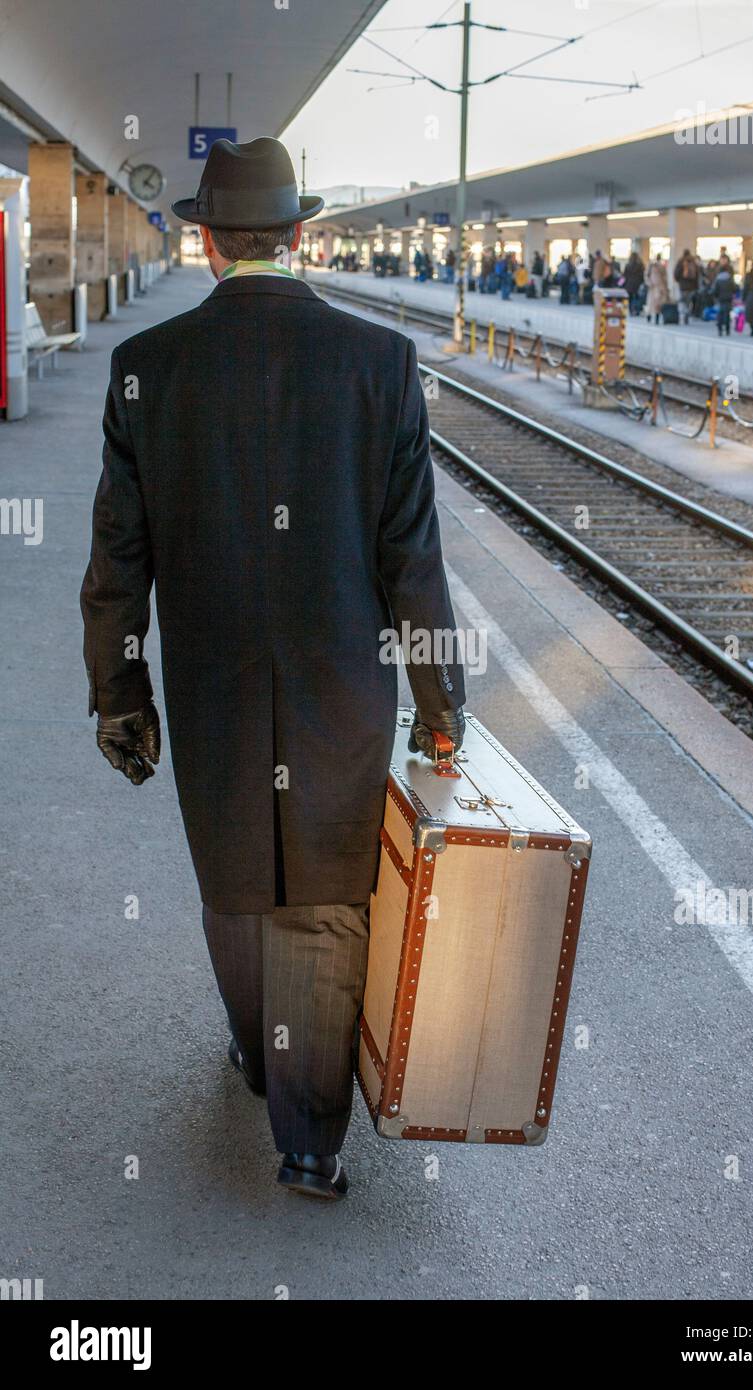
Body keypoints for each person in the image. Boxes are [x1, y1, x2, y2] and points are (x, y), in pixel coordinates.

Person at [79, 137, 466, 1203]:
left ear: (206, 242)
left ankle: (258, 1051)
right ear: (298, 236)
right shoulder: (378, 364)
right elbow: (412, 562)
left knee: (237, 881)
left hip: (210, 684)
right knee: (327, 902)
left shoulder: (146, 369)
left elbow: (118, 559)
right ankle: (309, 1142)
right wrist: (441, 706)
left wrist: (121, 695)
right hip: (339, 688)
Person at [710, 260, 737, 335]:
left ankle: (720, 329)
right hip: (728, 298)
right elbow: (734, 289)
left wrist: (715, 296)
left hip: (720, 299)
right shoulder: (730, 279)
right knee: (727, 314)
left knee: (720, 313)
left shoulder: (718, 279)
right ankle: (728, 330)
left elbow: (715, 290)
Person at [673, 248, 699, 325]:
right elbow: (697, 274)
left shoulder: (681, 261)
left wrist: (678, 280)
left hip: (683, 284)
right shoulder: (693, 261)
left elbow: (676, 273)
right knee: (688, 301)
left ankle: (684, 313)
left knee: (683, 300)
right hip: (692, 285)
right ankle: (687, 313)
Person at [645, 254, 668, 324]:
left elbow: (646, 275)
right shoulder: (661, 266)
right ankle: (655, 317)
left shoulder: (651, 265)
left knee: (651, 303)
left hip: (653, 286)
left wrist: (648, 283)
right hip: (659, 286)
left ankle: (650, 316)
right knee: (657, 303)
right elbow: (665, 277)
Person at [623, 250, 645, 316]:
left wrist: (619, 284)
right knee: (637, 298)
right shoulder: (640, 265)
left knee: (630, 298)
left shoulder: (628, 265)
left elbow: (624, 276)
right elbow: (642, 275)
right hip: (637, 284)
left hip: (629, 284)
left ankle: (631, 310)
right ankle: (636, 310)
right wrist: (642, 282)